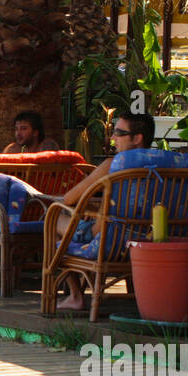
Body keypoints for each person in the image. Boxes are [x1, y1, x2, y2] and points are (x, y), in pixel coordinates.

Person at [54, 111, 154, 311]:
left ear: (137, 138)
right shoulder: (168, 166)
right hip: (150, 240)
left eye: (119, 132)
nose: (113, 137)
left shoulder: (113, 165)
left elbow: (69, 198)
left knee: (53, 217)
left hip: (109, 241)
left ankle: (75, 295)